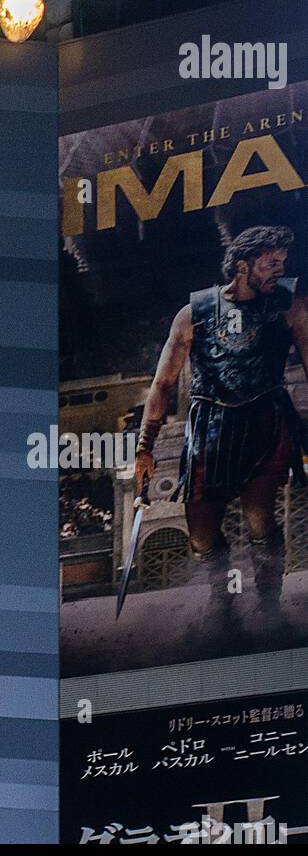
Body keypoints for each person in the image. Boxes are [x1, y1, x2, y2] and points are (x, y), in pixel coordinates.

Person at [134, 226, 308, 625]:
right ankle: (224, 596)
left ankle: (268, 607)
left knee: (260, 517)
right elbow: (163, 382)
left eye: (283, 262)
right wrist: (145, 446)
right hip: (209, 426)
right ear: (243, 265)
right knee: (201, 534)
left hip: (266, 418)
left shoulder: (291, 306)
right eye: (271, 263)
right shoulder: (194, 313)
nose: (279, 271)